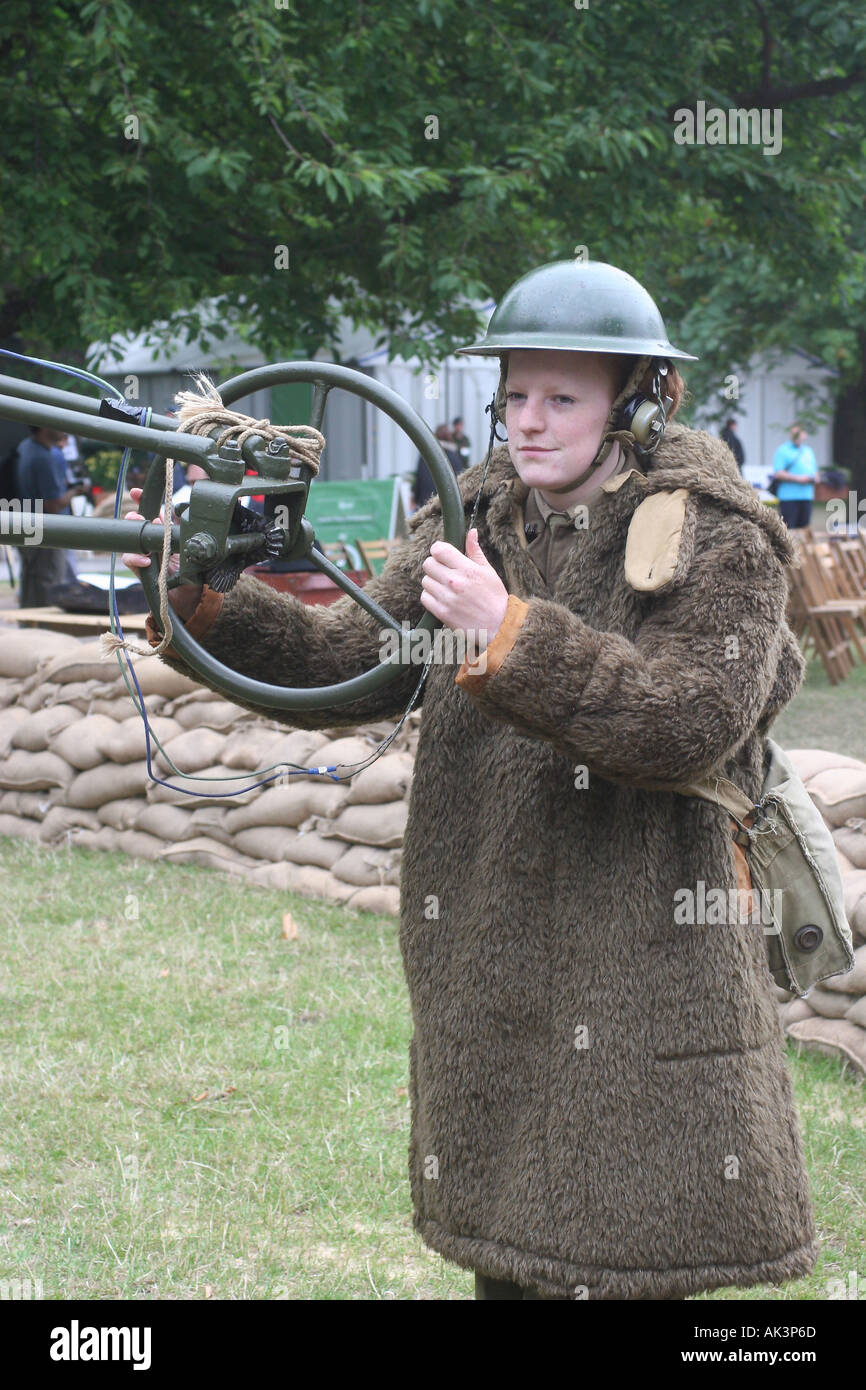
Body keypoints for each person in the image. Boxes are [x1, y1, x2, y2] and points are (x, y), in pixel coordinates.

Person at [123, 259, 820, 1301]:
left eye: (560, 397)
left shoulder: (718, 534)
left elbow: (686, 721)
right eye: (513, 397)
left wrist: (506, 635)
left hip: (641, 962)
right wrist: (211, 599)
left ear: (637, 398)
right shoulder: (473, 514)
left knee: (632, 1251)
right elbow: (349, 662)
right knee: (504, 1254)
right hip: (487, 955)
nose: (527, 422)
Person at [14, 425, 86, 606]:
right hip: (45, 530)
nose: (65, 429)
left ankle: (29, 626)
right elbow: (53, 504)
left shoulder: (25, 447)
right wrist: (76, 491)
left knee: (31, 581)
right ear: (45, 426)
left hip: (24, 524)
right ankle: (43, 631)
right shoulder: (44, 457)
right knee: (49, 584)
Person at [770, 423, 818, 530]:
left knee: (805, 530)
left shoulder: (808, 451)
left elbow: (815, 471)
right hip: (789, 497)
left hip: (806, 496)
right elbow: (778, 473)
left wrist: (815, 478)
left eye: (799, 433)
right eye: (794, 434)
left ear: (804, 435)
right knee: (788, 530)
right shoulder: (782, 450)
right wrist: (798, 479)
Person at [411, 423, 465, 510]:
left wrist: (416, 498)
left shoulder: (425, 455)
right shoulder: (455, 457)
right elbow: (460, 482)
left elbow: (419, 479)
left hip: (425, 505)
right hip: (446, 507)